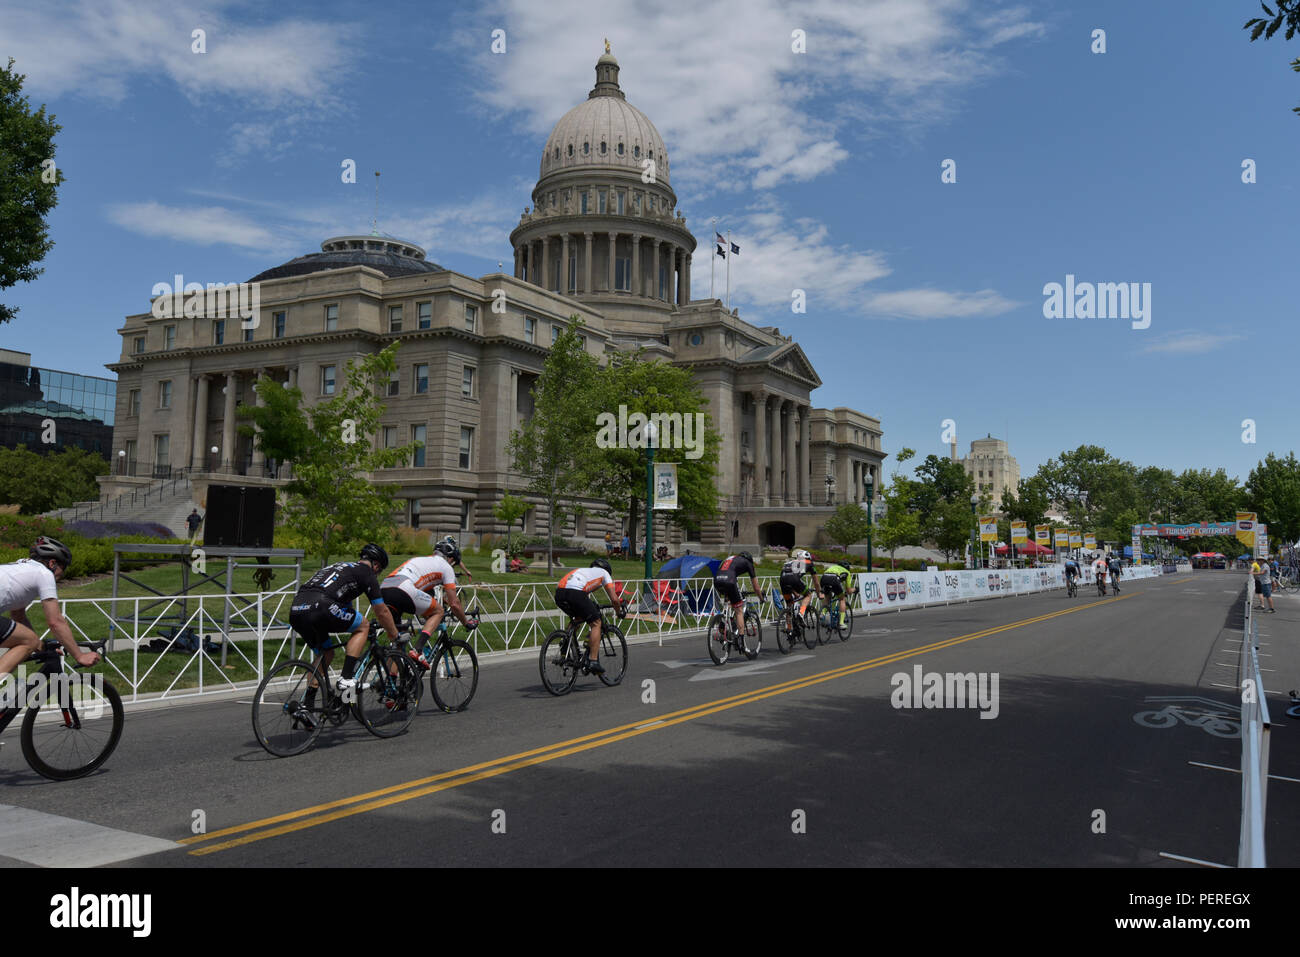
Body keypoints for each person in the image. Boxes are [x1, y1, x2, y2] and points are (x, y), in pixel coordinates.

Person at [288, 543, 400, 717]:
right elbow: (381, 610)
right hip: (321, 605)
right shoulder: (367, 573)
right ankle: (346, 677)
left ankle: (307, 707)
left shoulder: (341, 567)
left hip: (297, 608)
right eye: (379, 571)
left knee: (326, 654)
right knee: (363, 626)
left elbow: (343, 605)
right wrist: (394, 635)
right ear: (376, 565)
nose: (377, 575)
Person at [0, 538, 101, 682]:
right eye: (63, 568)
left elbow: (18, 616)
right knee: (28, 641)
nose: (62, 574)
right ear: (52, 563)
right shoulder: (44, 573)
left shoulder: (21, 569)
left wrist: (41, 647)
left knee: (29, 640)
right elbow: (55, 622)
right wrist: (80, 655)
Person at [381, 540, 478, 667]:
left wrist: (442, 605)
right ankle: (418, 650)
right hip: (404, 588)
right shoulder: (446, 567)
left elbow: (428, 597)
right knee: (438, 612)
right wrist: (466, 622)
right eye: (454, 562)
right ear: (449, 558)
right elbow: (455, 603)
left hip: (385, 588)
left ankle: (391, 682)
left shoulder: (423, 560)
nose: (453, 565)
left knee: (400, 641)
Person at [554, 557, 626, 675]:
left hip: (560, 593)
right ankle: (593, 661)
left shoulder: (584, 571)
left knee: (579, 617)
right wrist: (618, 612)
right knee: (596, 623)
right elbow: (614, 599)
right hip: (576, 593)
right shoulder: (604, 573)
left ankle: (565, 643)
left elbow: (583, 598)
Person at [713, 552, 764, 637]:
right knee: (739, 610)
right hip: (729, 580)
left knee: (729, 600)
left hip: (717, 580)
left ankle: (724, 620)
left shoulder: (730, 559)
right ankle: (741, 641)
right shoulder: (748, 563)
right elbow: (756, 588)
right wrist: (761, 598)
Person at [780, 548, 822, 633]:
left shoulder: (788, 563)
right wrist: (819, 594)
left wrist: (795, 592)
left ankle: (789, 629)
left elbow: (787, 578)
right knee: (808, 595)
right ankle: (801, 614)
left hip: (783, 580)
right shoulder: (809, 563)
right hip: (794, 579)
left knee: (789, 604)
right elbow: (816, 583)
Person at [819, 559, 854, 629]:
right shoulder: (847, 572)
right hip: (834, 579)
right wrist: (855, 589)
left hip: (824, 578)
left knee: (828, 597)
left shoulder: (833, 567)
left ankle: (822, 614)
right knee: (842, 599)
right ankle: (841, 623)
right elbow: (849, 590)